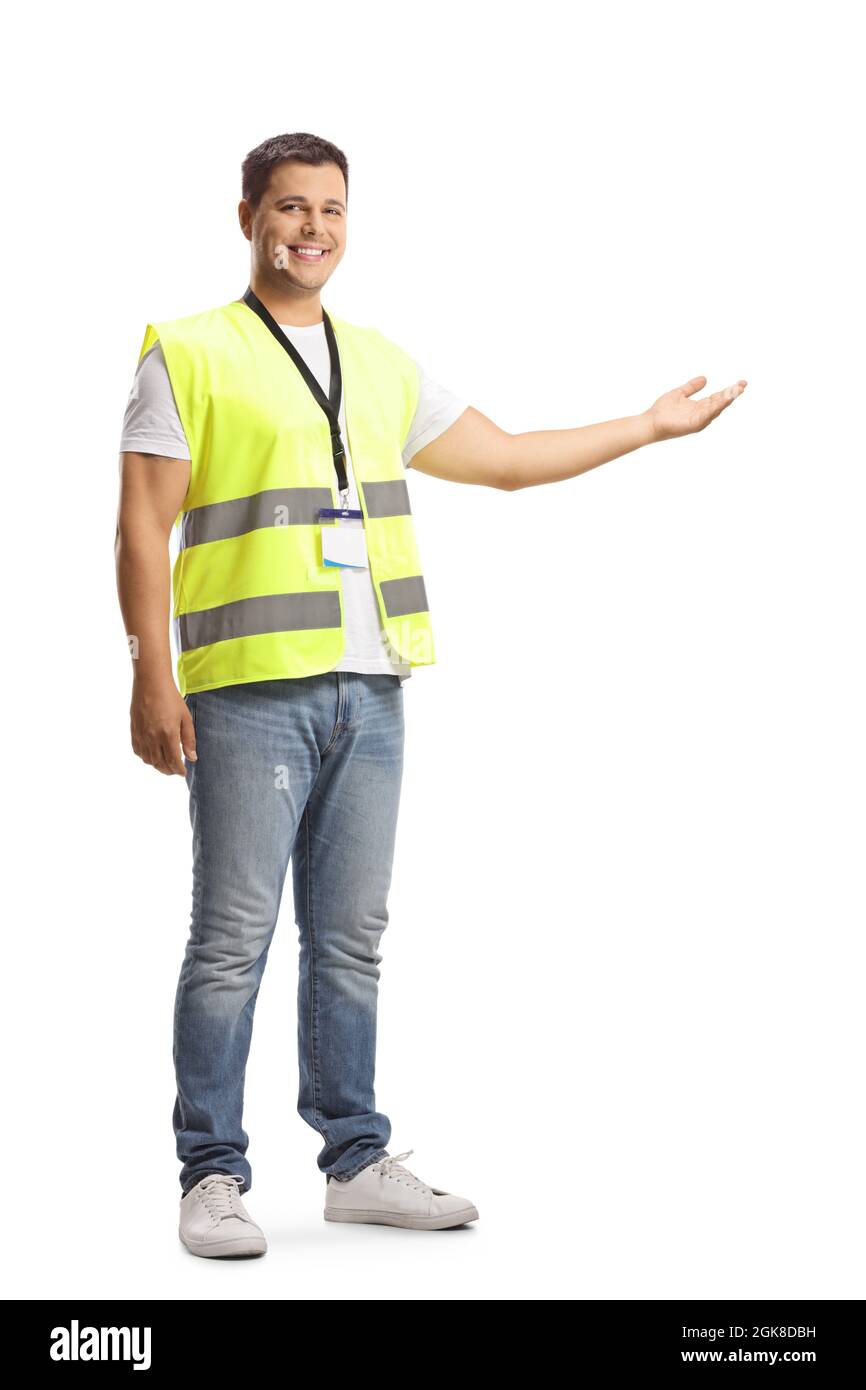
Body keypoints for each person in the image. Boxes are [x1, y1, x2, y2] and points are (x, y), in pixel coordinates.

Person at [115, 131, 747, 1260]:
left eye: (331, 211)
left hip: (373, 687)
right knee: (232, 941)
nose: (312, 228)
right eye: (291, 207)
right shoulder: (189, 349)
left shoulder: (379, 360)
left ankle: (354, 1159)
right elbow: (141, 524)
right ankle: (210, 1174)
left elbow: (503, 459)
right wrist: (146, 671)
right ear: (248, 215)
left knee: (350, 938)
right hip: (250, 692)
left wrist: (645, 429)